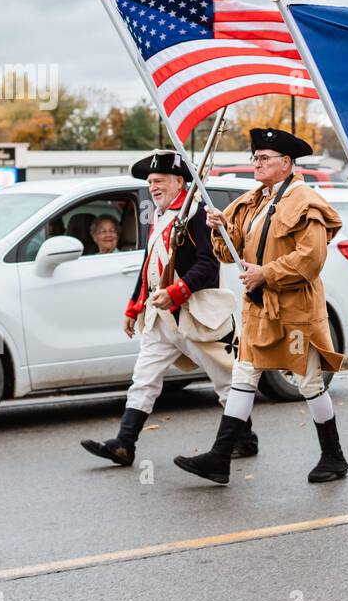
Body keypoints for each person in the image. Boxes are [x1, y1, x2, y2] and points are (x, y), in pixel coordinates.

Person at [173, 128, 348, 486]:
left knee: (309, 381)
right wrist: (220, 229)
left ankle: (333, 456)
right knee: (244, 375)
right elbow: (230, 253)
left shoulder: (306, 201)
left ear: (286, 162)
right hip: (258, 308)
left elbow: (311, 258)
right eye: (255, 157)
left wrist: (265, 273)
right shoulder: (252, 201)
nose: (257, 163)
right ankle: (220, 457)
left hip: (295, 309)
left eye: (264, 158)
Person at [80, 150, 236, 467]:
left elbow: (209, 265)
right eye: (151, 181)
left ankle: (243, 438)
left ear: (179, 181)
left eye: (160, 180)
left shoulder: (197, 213)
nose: (153, 187)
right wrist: (134, 306)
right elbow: (149, 265)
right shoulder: (161, 216)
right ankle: (124, 444)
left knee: (226, 382)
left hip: (195, 315)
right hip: (160, 316)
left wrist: (177, 291)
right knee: (144, 378)